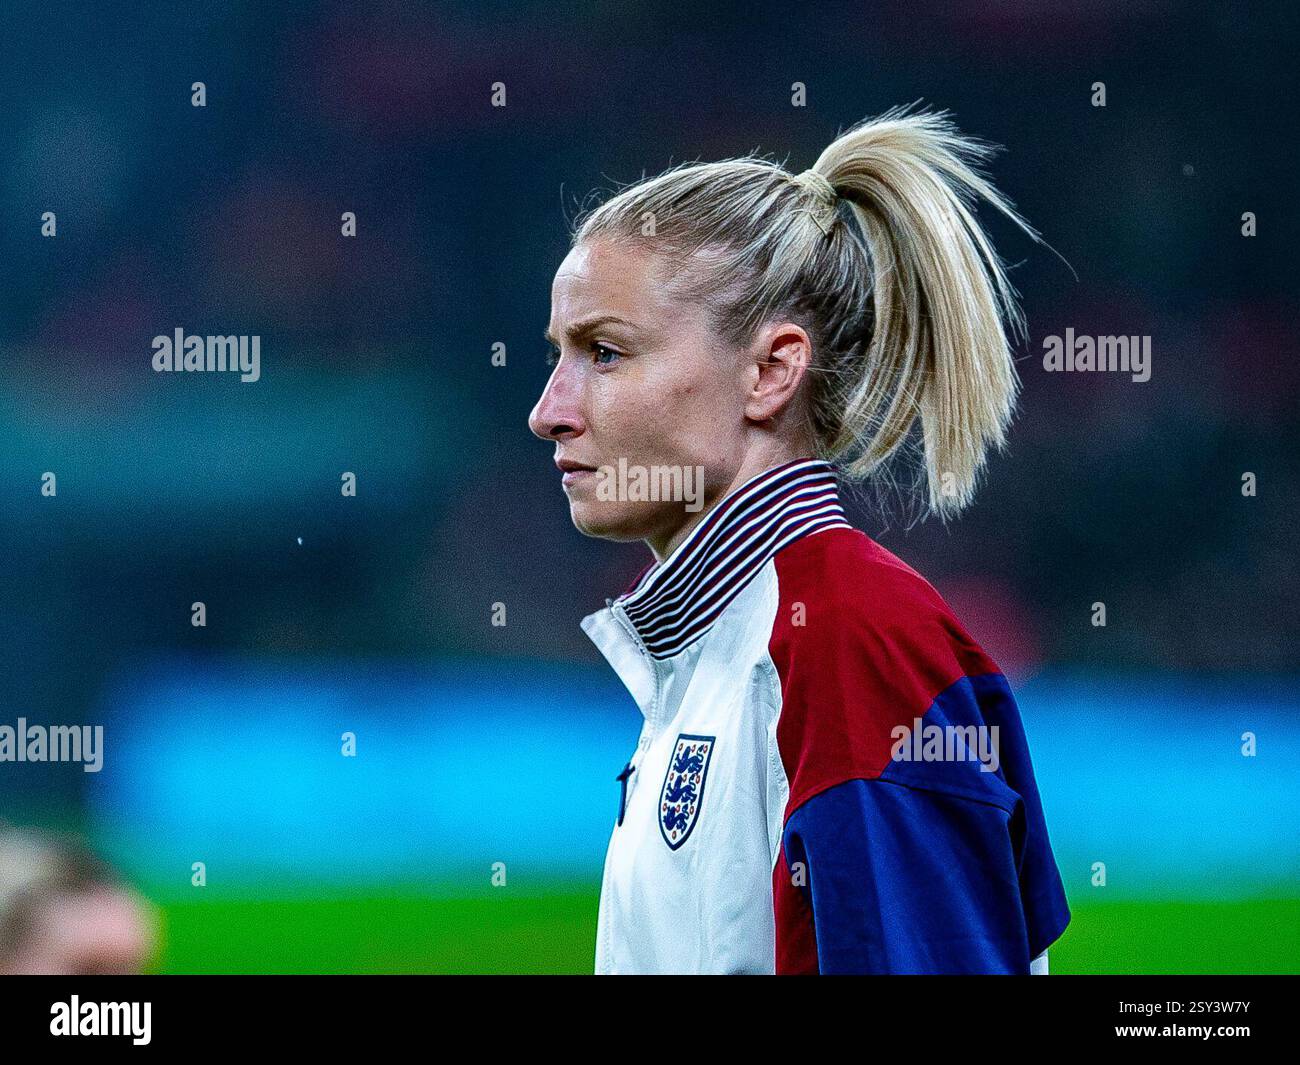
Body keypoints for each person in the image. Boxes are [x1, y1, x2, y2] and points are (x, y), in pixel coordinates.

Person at [529, 107, 1070, 974]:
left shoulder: (854, 641)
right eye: (559, 353)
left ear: (771, 371)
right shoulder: (724, 649)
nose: (548, 410)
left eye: (604, 352)